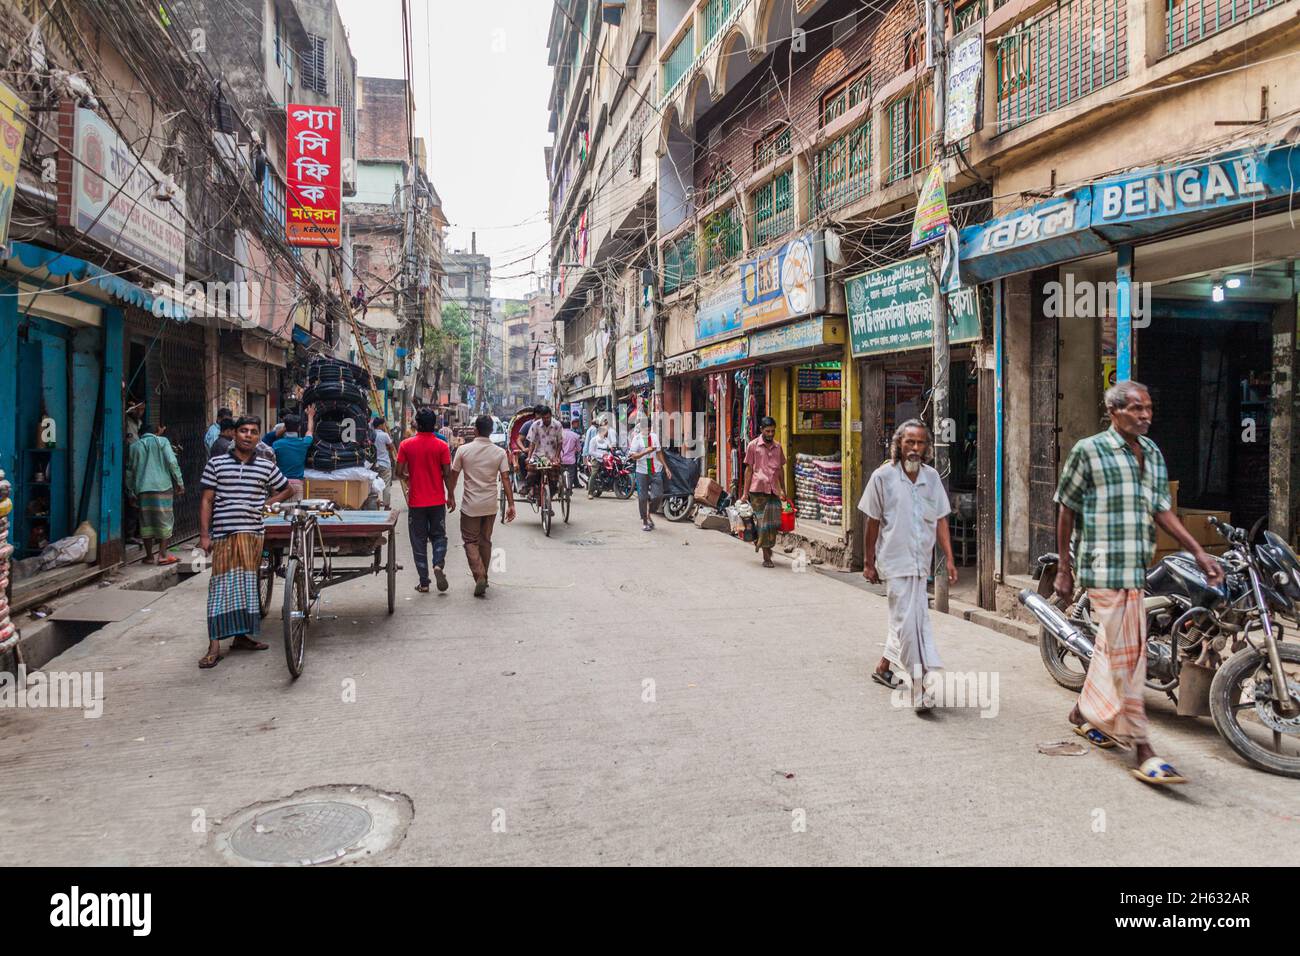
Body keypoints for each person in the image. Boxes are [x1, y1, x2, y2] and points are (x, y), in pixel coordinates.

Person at [1054, 380, 1222, 786]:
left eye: (1148, 408)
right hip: (1100, 567)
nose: (1145, 415)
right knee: (1130, 656)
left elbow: (1162, 511)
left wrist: (1199, 552)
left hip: (1134, 568)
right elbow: (1066, 508)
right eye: (1136, 408)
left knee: (1115, 649)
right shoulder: (1089, 450)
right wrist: (1063, 566)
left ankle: (1082, 712)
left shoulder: (1152, 453)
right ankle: (1142, 746)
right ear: (1114, 412)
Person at [861, 420, 958, 711]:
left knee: (910, 619)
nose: (915, 448)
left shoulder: (931, 479)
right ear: (898, 444)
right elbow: (872, 521)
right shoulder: (883, 477)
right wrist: (868, 562)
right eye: (909, 443)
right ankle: (919, 684)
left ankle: (884, 667)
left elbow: (939, 519)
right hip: (894, 561)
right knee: (911, 622)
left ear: (927, 447)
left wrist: (949, 558)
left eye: (920, 443)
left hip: (920, 562)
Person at [198, 417, 293, 669]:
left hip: (253, 534)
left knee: (247, 586)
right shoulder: (216, 464)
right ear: (235, 435)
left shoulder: (265, 467)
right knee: (220, 587)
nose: (248, 435)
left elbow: (286, 489)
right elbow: (207, 500)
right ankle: (214, 646)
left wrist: (268, 504)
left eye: (253, 432)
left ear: (258, 437)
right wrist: (204, 535)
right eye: (243, 431)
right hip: (224, 534)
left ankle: (241, 637)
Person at [447, 414, 515, 597]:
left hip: (470, 505)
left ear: (475, 430)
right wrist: (511, 504)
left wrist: (450, 495)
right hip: (491, 505)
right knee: (485, 540)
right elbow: (506, 478)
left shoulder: (463, 450)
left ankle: (479, 575)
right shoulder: (499, 452)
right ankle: (484, 575)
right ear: (491, 431)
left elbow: (454, 475)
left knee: (470, 541)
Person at [396, 407, 455, 593]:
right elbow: (447, 474)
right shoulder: (442, 446)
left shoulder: (406, 445)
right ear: (434, 425)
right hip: (437, 501)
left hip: (416, 502)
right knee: (439, 536)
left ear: (417, 424)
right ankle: (438, 564)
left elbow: (399, 472)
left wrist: (409, 476)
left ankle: (424, 582)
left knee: (418, 541)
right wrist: (451, 495)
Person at [126, 423, 184, 565]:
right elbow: (172, 463)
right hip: (162, 487)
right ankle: (163, 555)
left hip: (143, 489)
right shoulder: (162, 442)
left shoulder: (134, 446)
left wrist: (130, 492)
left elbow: (130, 471)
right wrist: (180, 482)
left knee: (146, 522)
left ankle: (149, 556)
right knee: (164, 520)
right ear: (155, 432)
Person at [738, 416, 787, 567]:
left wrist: (784, 489)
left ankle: (762, 543)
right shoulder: (753, 446)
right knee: (762, 523)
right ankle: (767, 556)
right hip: (757, 491)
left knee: (773, 523)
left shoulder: (778, 447)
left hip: (774, 490)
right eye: (768, 431)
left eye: (773, 431)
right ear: (761, 430)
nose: (771, 434)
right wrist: (745, 493)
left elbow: (780, 470)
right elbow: (748, 470)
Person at [628, 414, 672, 532]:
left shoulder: (654, 437)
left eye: (648, 427)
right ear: (641, 428)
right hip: (641, 472)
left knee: (658, 495)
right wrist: (645, 451)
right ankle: (645, 521)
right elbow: (633, 456)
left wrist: (666, 467)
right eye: (644, 428)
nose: (646, 430)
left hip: (656, 470)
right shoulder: (636, 439)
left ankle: (649, 512)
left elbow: (659, 453)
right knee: (642, 497)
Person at [270, 407, 315, 500]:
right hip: (297, 484)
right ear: (299, 428)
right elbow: (310, 431)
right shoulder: (304, 443)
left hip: (279, 483)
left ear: (285, 427)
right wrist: (310, 416)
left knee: (278, 512)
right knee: (295, 512)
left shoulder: (276, 444)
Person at [524, 404, 565, 501]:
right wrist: (529, 457)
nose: (546, 420)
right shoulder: (536, 425)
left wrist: (556, 457)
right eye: (544, 418)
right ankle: (532, 489)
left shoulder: (557, 425)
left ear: (551, 415)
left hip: (552, 456)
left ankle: (549, 498)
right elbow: (532, 443)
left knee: (554, 479)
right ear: (541, 417)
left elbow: (560, 443)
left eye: (548, 417)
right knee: (531, 475)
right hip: (538, 456)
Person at [586, 419, 614, 499]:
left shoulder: (606, 440)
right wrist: (601, 455)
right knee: (594, 474)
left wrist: (612, 448)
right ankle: (590, 492)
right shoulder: (594, 440)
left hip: (606, 459)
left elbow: (610, 446)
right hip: (597, 460)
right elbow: (591, 452)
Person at [372, 416, 395, 507]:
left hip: (373, 464)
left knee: (374, 484)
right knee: (386, 485)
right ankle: (386, 505)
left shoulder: (371, 434)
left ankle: (375, 503)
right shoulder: (384, 435)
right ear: (381, 425)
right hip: (384, 463)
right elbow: (391, 447)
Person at [560, 418, 582, 494]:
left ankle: (561, 487)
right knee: (571, 475)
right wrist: (574, 450)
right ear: (570, 426)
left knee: (561, 474)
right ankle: (569, 489)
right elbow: (579, 449)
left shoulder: (559, 435)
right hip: (571, 459)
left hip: (561, 459)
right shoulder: (575, 436)